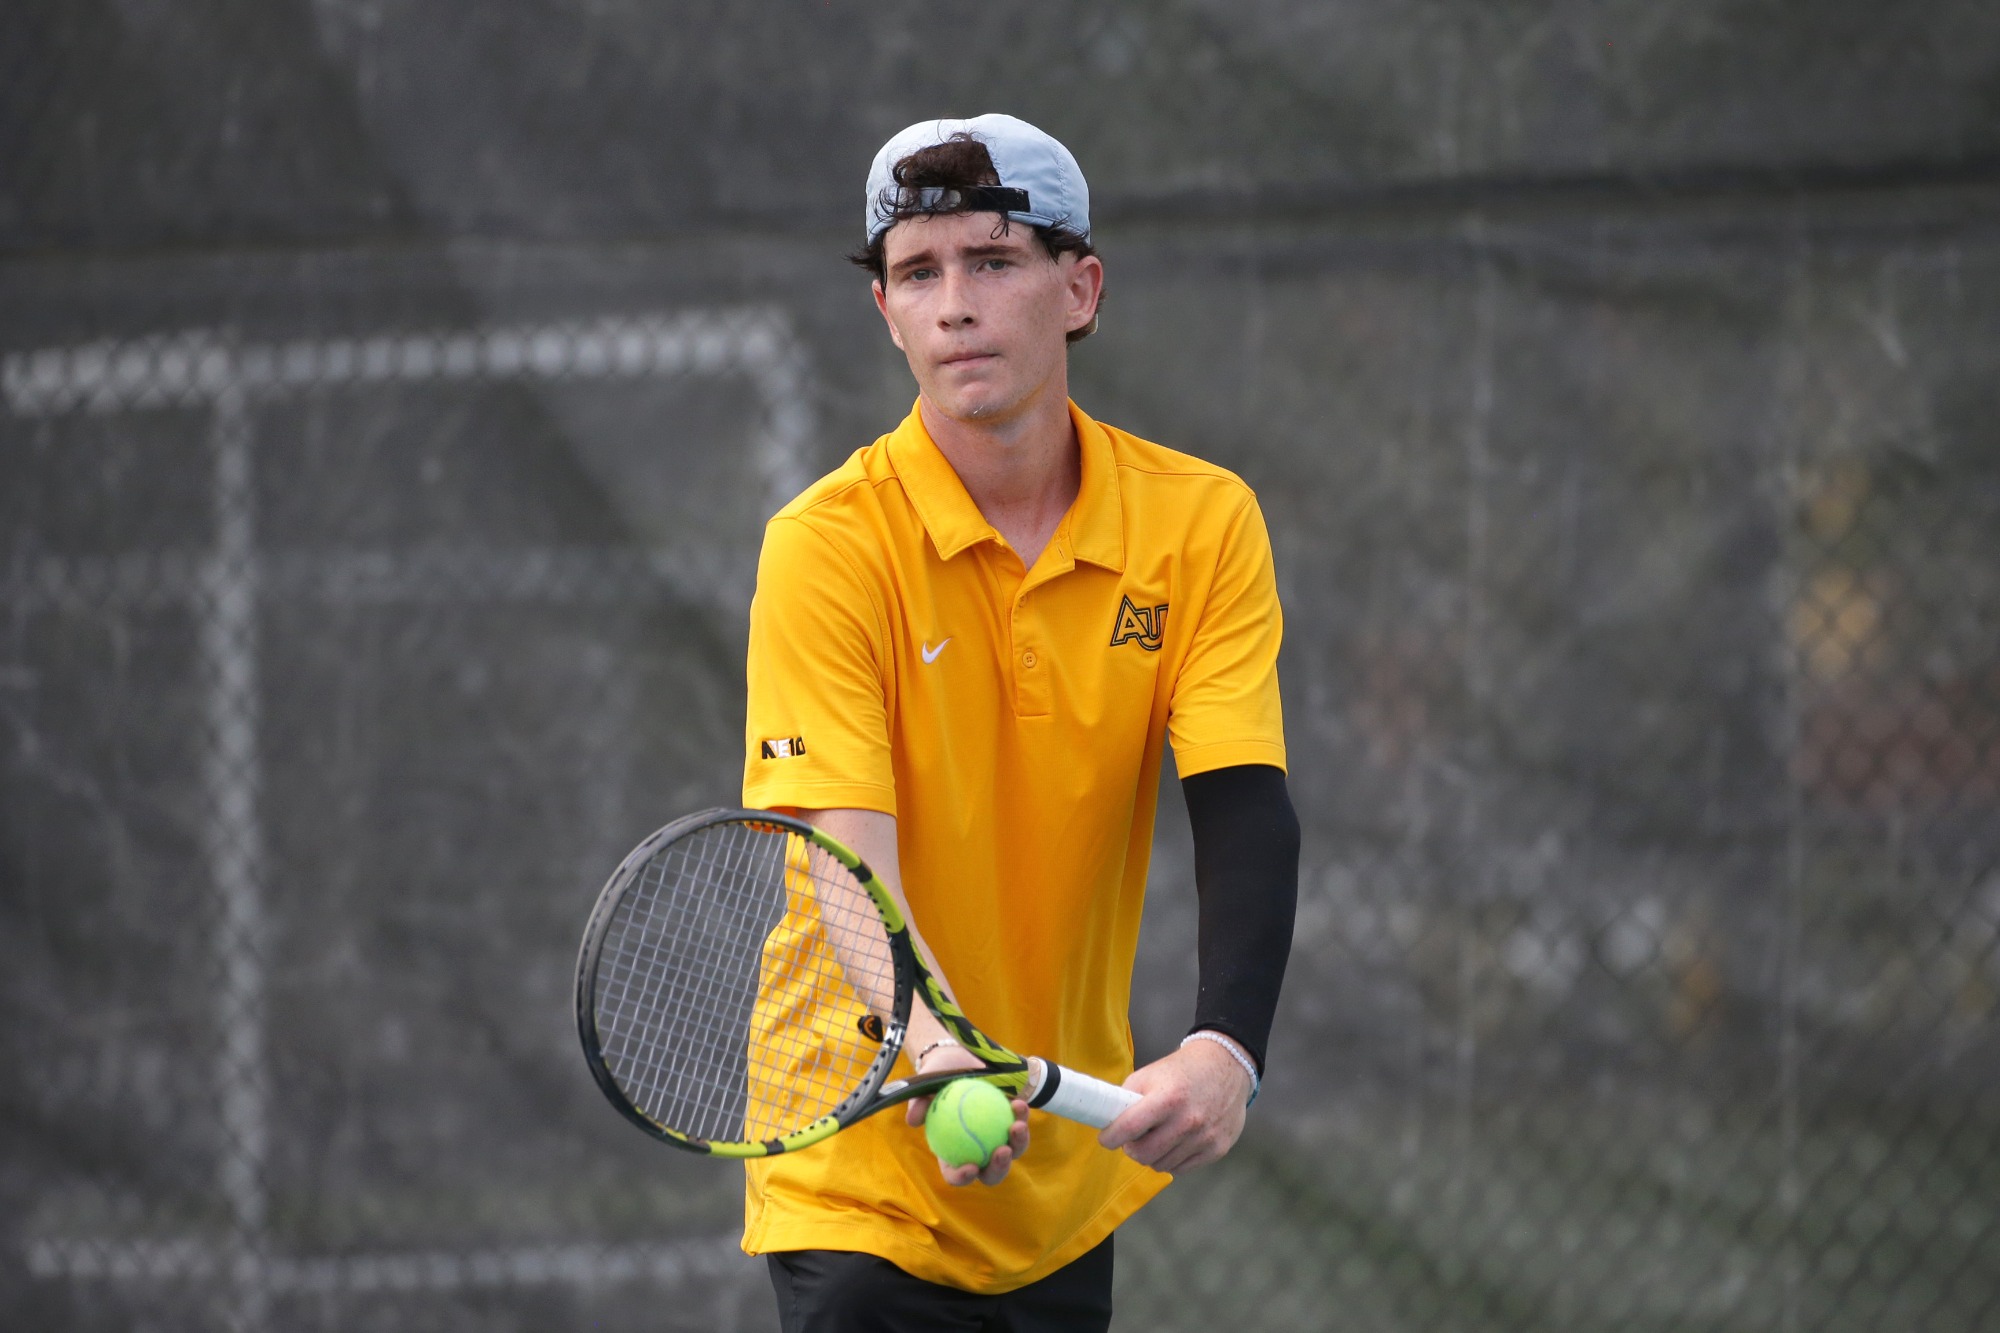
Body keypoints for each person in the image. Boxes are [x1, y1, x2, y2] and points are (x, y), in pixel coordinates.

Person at [741, 113, 1300, 1332]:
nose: (953, 306)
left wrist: (1225, 1050)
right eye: (917, 274)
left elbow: (1244, 802)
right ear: (884, 314)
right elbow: (842, 856)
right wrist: (930, 1048)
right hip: (858, 1150)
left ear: (1079, 287)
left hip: (1056, 1177)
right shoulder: (826, 548)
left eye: (992, 263)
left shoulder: (1201, 527)